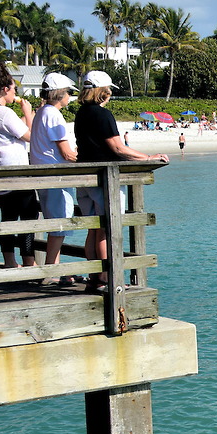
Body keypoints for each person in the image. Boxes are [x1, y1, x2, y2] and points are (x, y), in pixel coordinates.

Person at [74, 70, 169, 293]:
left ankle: (95, 277)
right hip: (104, 179)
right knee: (107, 231)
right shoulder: (102, 115)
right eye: (108, 91)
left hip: (84, 177)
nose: (109, 95)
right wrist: (148, 158)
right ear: (102, 93)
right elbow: (117, 148)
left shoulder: (81, 113)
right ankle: (110, 278)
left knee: (92, 230)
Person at [0, 62, 38, 269]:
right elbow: (31, 136)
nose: (15, 92)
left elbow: (12, 129)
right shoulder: (4, 113)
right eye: (14, 88)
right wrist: (28, 112)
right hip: (17, 175)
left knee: (8, 221)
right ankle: (30, 264)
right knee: (29, 220)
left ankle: (9, 262)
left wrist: (27, 115)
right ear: (5, 89)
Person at [29, 72, 79, 280]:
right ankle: (52, 270)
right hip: (56, 175)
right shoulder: (53, 114)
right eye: (68, 92)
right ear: (59, 94)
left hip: (43, 174)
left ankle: (55, 269)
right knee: (59, 223)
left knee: (54, 223)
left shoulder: (42, 112)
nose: (70, 96)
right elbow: (66, 153)